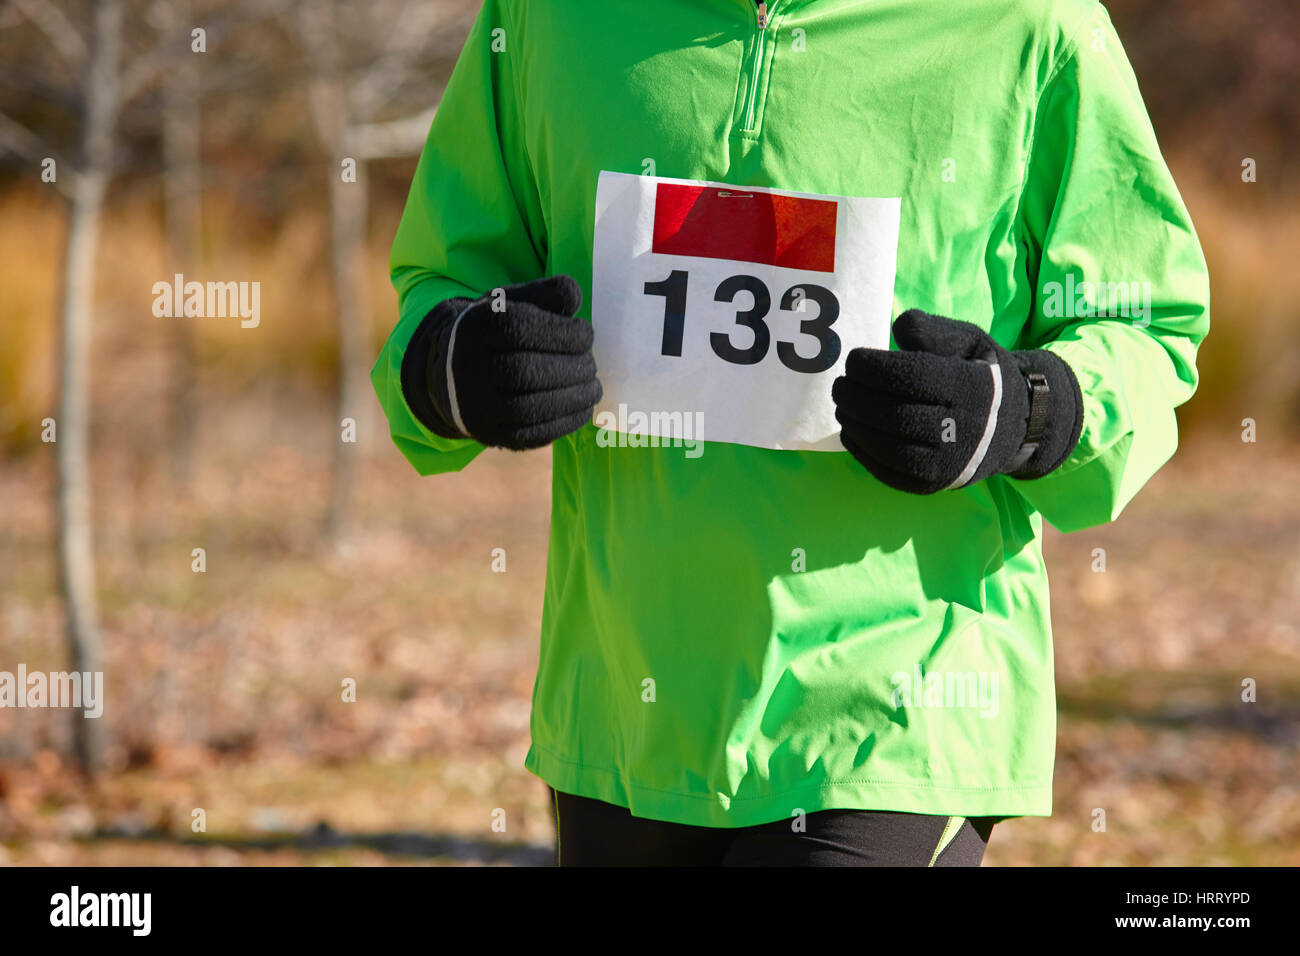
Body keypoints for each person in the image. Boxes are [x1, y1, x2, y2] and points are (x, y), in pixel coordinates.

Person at [372, 0, 1209, 866]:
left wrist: (1025, 412)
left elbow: (1146, 326)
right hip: (626, 715)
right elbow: (445, 276)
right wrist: (457, 364)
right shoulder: (545, 17)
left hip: (896, 708)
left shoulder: (1034, 25)